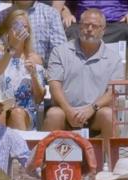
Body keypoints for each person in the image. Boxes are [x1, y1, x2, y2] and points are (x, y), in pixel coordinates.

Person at [43, 9, 120, 138]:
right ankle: (45, 157)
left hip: (96, 112)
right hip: (65, 110)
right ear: (79, 27)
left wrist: (91, 109)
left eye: (95, 26)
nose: (89, 29)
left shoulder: (114, 58)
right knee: (54, 115)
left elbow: (113, 92)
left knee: (108, 115)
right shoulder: (60, 52)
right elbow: (54, 85)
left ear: (103, 30)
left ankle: (111, 157)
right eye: (85, 25)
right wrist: (68, 110)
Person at [0, 9, 46, 130]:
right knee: (0, 112)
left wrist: (33, 75)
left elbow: (39, 98)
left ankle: (21, 149)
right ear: (7, 30)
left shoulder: (34, 58)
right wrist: (12, 48)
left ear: (29, 31)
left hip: (25, 113)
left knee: (17, 114)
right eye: (16, 26)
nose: (21, 29)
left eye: (25, 27)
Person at [60, 0, 128, 78]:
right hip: (85, 25)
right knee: (70, 31)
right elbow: (65, 6)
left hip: (116, 25)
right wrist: (67, 15)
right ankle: (68, 78)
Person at [1, 1, 67, 66]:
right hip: (6, 72)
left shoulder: (51, 14)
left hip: (42, 73)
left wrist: (42, 62)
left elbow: (61, 54)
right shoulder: (1, 17)